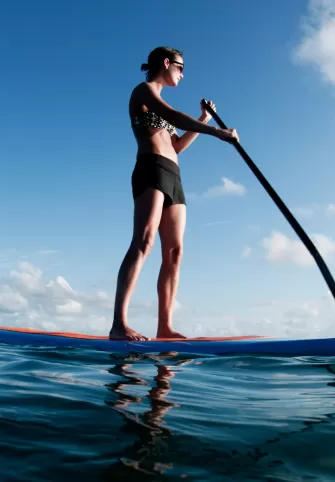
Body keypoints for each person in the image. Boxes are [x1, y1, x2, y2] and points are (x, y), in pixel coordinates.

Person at [109, 46, 240, 341]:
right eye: (180, 68)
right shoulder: (143, 92)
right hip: (151, 168)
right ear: (166, 63)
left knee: (175, 252)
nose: (182, 74)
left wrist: (204, 119)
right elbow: (171, 114)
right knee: (144, 241)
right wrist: (217, 133)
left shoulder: (160, 108)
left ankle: (164, 327)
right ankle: (118, 324)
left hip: (174, 175)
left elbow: (177, 145)